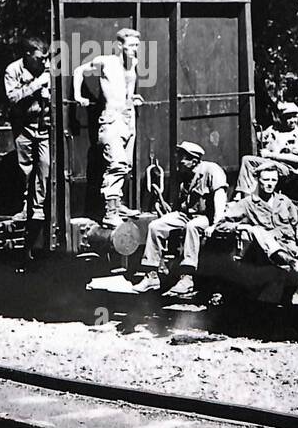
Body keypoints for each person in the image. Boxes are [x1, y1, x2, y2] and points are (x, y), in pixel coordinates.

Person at [72, 28, 145, 227]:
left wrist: (133, 98)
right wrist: (78, 96)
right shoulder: (106, 62)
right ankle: (110, 212)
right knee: (117, 164)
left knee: (126, 165)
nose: (134, 50)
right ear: (119, 45)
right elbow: (79, 71)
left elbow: (127, 90)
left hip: (128, 120)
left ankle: (117, 203)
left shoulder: (133, 64)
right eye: (131, 46)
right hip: (111, 120)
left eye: (137, 46)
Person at [135, 141, 227, 296]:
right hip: (186, 215)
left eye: (182, 158)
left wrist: (216, 224)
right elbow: (180, 204)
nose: (179, 161)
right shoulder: (183, 174)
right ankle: (151, 275)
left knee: (192, 226)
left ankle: (187, 277)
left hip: (206, 217)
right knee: (156, 226)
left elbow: (220, 198)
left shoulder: (212, 171)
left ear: (194, 160)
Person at [221, 162, 298, 275]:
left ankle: (295, 262)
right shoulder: (247, 204)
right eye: (266, 180)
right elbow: (221, 224)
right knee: (257, 230)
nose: (270, 184)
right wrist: (242, 227)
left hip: (293, 249)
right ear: (257, 180)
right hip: (268, 256)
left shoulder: (283, 201)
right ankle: (291, 262)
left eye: (273, 180)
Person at [3, 37, 52, 222]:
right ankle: (25, 208)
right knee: (25, 169)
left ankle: (38, 208)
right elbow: (13, 97)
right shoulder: (13, 70)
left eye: (46, 58)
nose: (44, 62)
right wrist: (37, 85)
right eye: (40, 58)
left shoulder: (47, 69)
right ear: (28, 54)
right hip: (23, 126)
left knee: (44, 166)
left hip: (44, 126)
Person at [235, 101, 298, 198]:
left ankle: (244, 196)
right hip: (271, 163)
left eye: (295, 117)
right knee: (248, 161)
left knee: (251, 162)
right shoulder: (274, 130)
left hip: (288, 169)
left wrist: (270, 155)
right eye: (289, 117)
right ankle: (245, 195)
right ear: (282, 117)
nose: (293, 120)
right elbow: (261, 137)